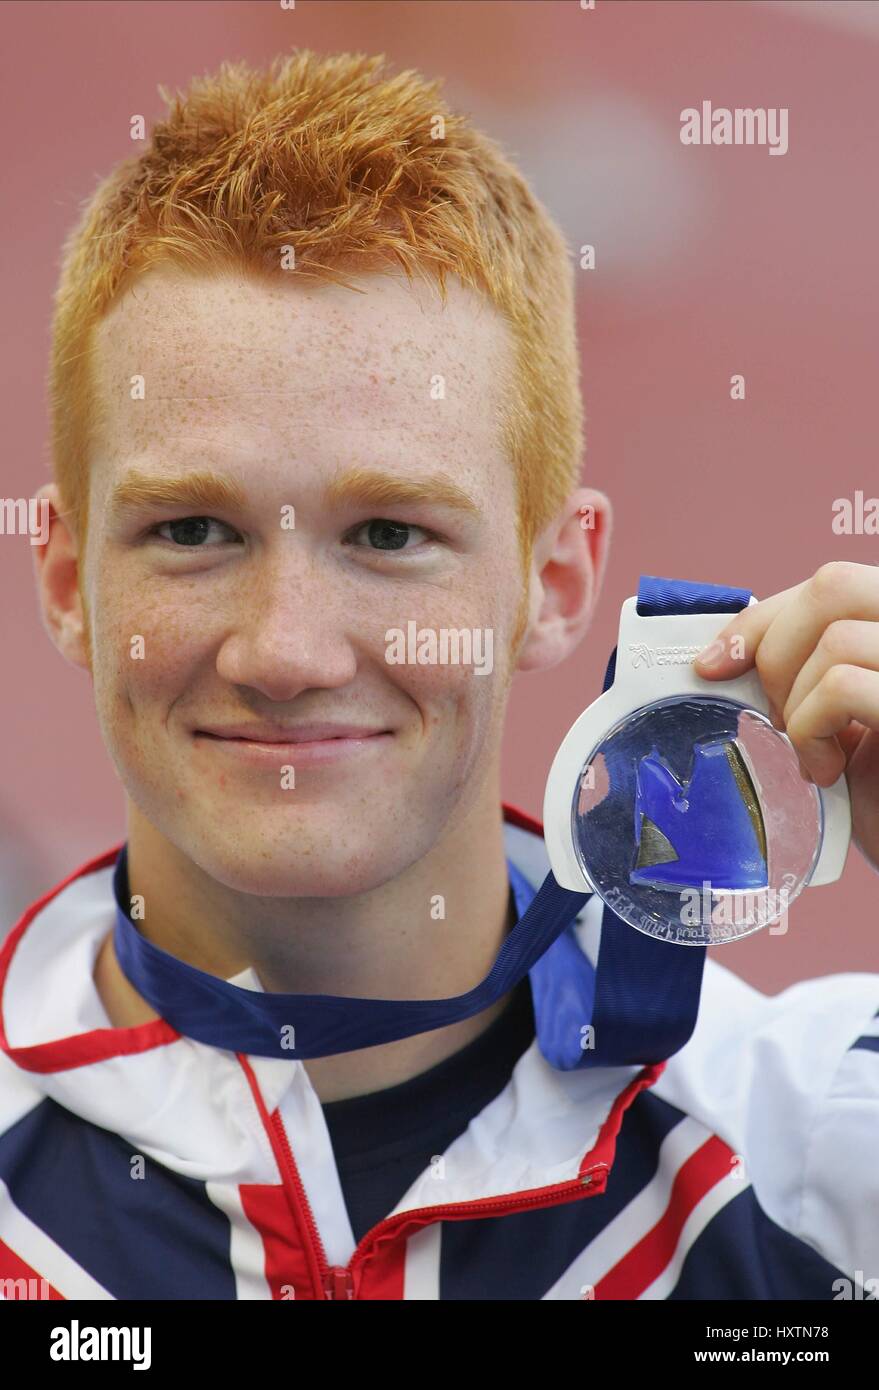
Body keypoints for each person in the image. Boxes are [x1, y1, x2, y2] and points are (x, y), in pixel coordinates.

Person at [1, 49, 876, 1302]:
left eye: (390, 535)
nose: (286, 653)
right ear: (69, 580)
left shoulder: (822, 1157)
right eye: (194, 532)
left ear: (554, 582)